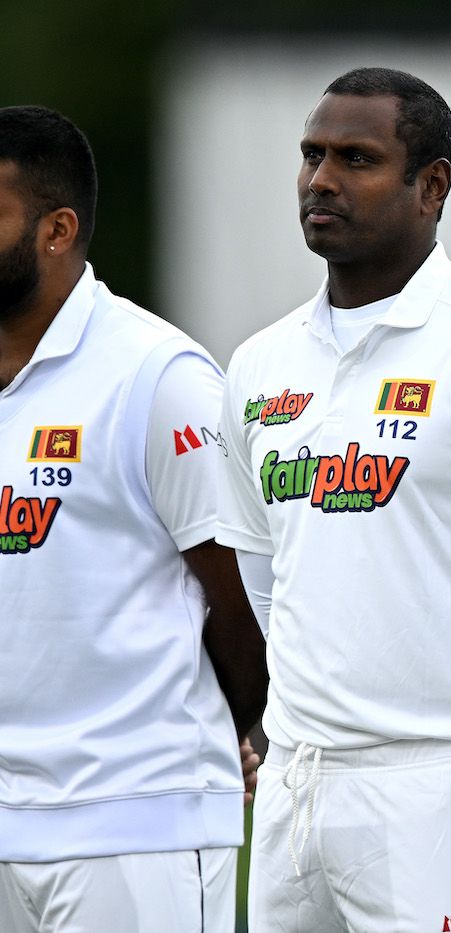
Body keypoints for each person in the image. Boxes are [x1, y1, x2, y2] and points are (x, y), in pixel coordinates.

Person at [216, 67, 451, 932]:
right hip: (296, 784)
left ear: (432, 185)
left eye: (356, 159)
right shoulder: (259, 364)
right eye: (312, 155)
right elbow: (263, 570)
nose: (321, 179)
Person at [0, 105, 267, 932]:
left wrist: (231, 729)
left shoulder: (159, 376)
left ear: (56, 230)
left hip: (135, 820)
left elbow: (242, 599)